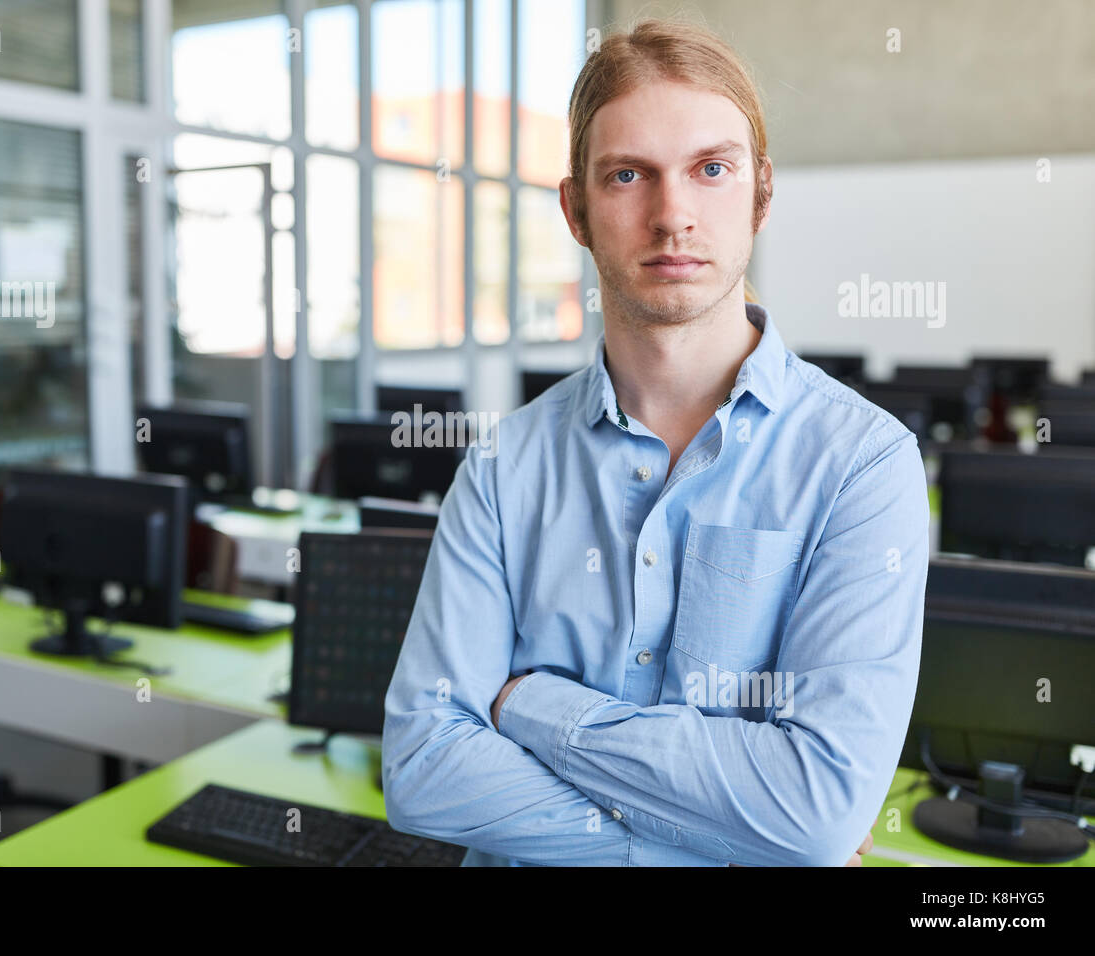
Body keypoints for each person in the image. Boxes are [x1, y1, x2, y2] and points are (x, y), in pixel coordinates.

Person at [381, 16, 927, 866]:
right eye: (629, 174)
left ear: (761, 195)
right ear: (576, 210)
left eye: (711, 169)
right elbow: (423, 768)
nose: (673, 215)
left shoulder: (864, 464)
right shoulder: (502, 465)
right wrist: (724, 841)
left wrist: (527, 706)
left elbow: (816, 808)